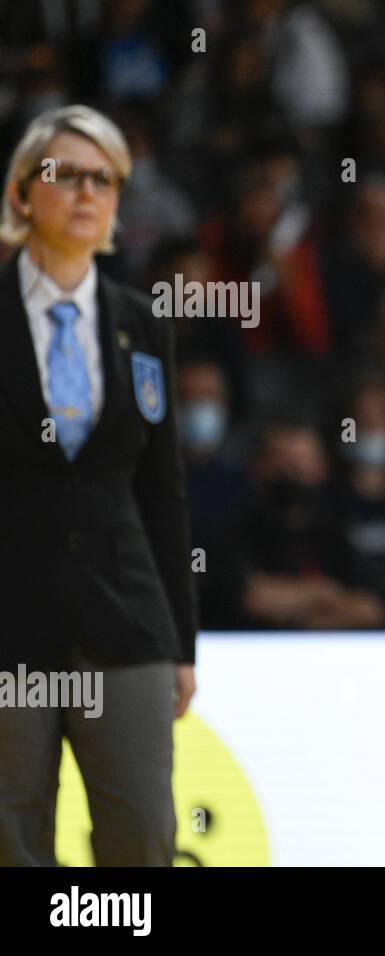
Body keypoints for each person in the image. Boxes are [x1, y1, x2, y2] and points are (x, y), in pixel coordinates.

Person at [0, 105, 197, 866]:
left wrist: (182, 642)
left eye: (104, 179)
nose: (87, 192)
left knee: (144, 836)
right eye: (66, 174)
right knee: (12, 840)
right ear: (23, 194)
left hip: (129, 620)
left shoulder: (141, 323)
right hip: (10, 627)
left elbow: (163, 490)